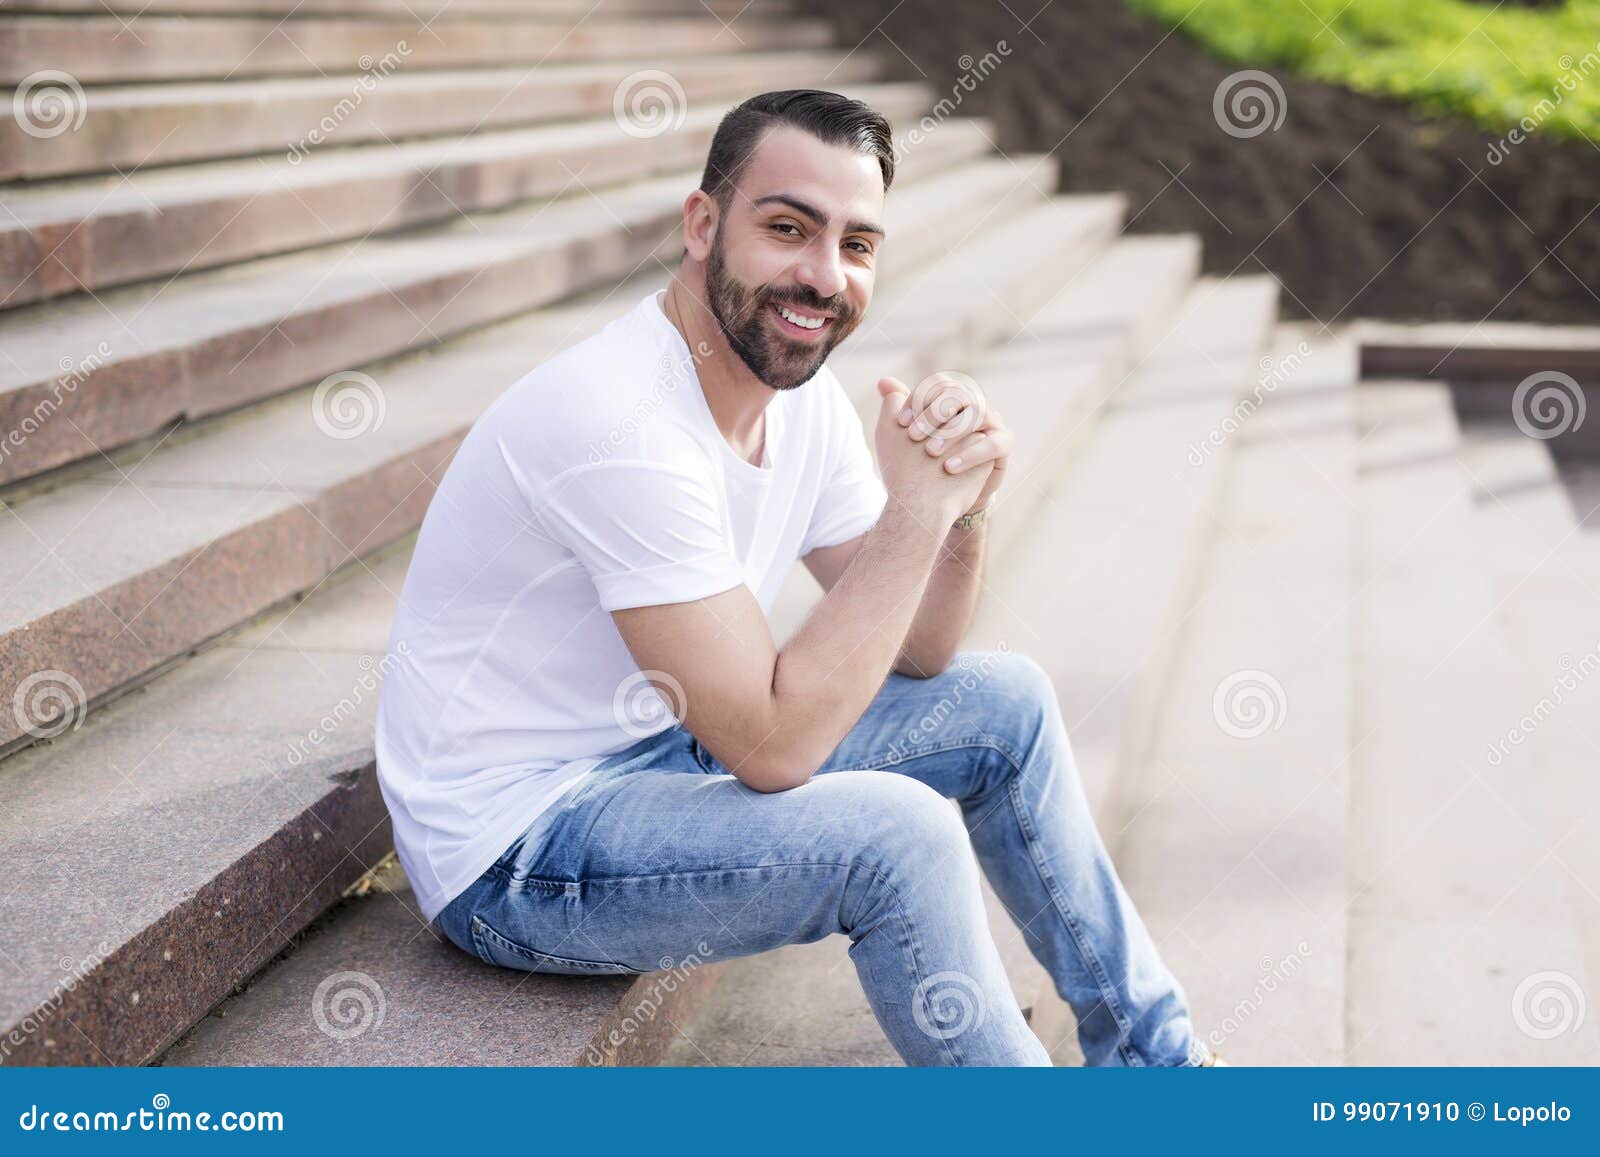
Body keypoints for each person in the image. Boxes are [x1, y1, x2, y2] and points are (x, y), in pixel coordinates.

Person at [375, 89, 1214, 1067]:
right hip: (520, 852)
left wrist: (963, 503)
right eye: (788, 229)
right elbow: (773, 747)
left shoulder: (796, 393)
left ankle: (1166, 1071)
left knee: (1006, 701)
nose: (822, 276)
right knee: (895, 836)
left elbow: (922, 646)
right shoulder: (619, 424)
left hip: (659, 757)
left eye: (857, 245)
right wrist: (914, 509)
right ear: (703, 224)